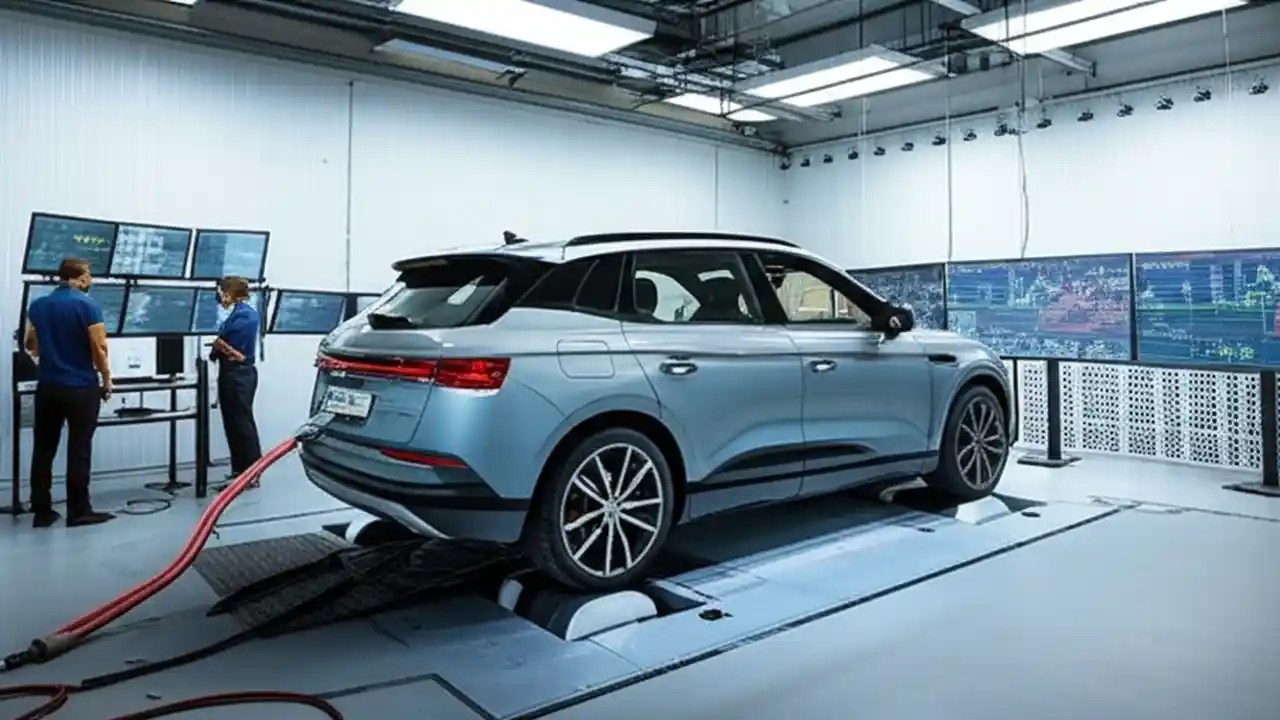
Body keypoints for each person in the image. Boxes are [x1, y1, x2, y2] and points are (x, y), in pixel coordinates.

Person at [24, 258, 115, 528]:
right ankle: (78, 511)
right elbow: (99, 348)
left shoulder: (38, 305)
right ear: (80, 278)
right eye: (89, 275)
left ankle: (41, 511)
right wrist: (107, 379)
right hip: (80, 387)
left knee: (43, 448)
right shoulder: (88, 306)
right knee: (79, 449)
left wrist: (52, 356)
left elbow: (31, 344)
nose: (91, 280)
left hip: (48, 387)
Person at [209, 276, 262, 491]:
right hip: (230, 372)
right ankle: (239, 471)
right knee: (232, 423)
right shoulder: (235, 314)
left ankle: (251, 473)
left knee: (242, 424)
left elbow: (236, 352)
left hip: (239, 374)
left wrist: (219, 344)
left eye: (221, 291)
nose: (220, 296)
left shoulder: (246, 315)